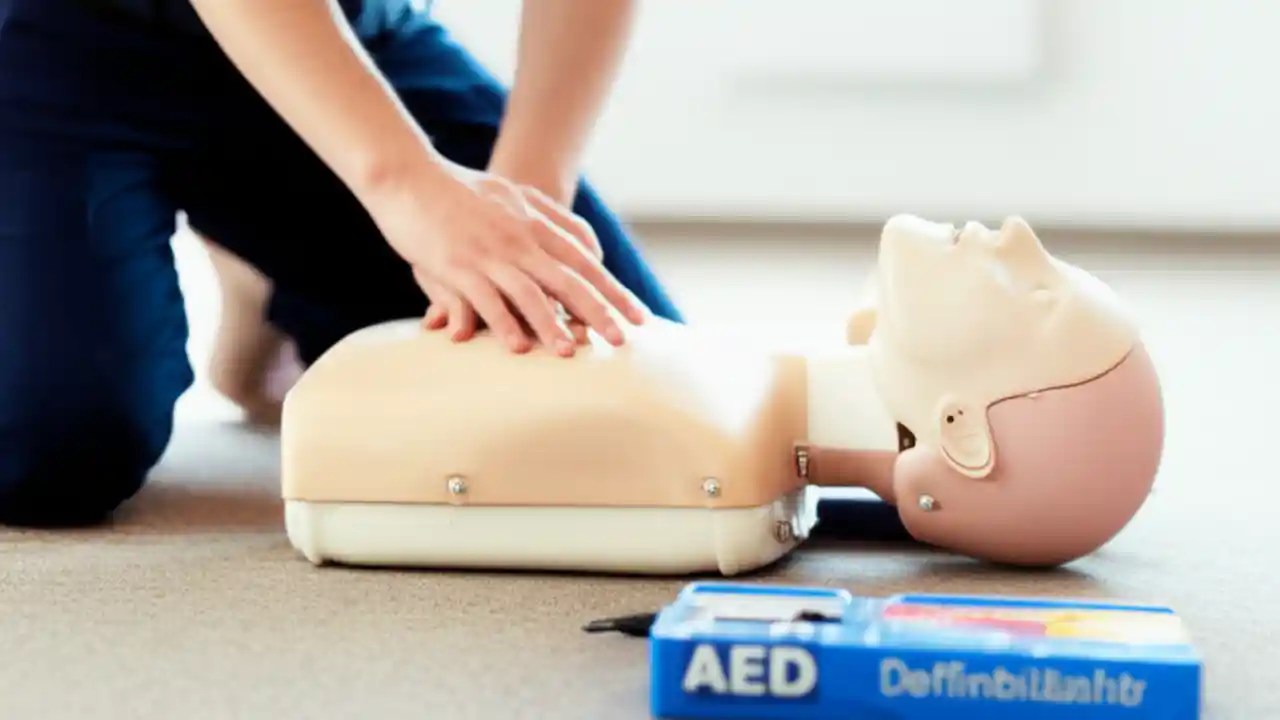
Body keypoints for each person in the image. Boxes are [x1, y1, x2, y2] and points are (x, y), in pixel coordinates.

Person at [0, 0, 683, 527]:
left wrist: (525, 209)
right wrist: (403, 184)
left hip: (354, 42)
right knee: (50, 456)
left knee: (618, 421)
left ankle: (263, 273)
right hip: (61, 42)